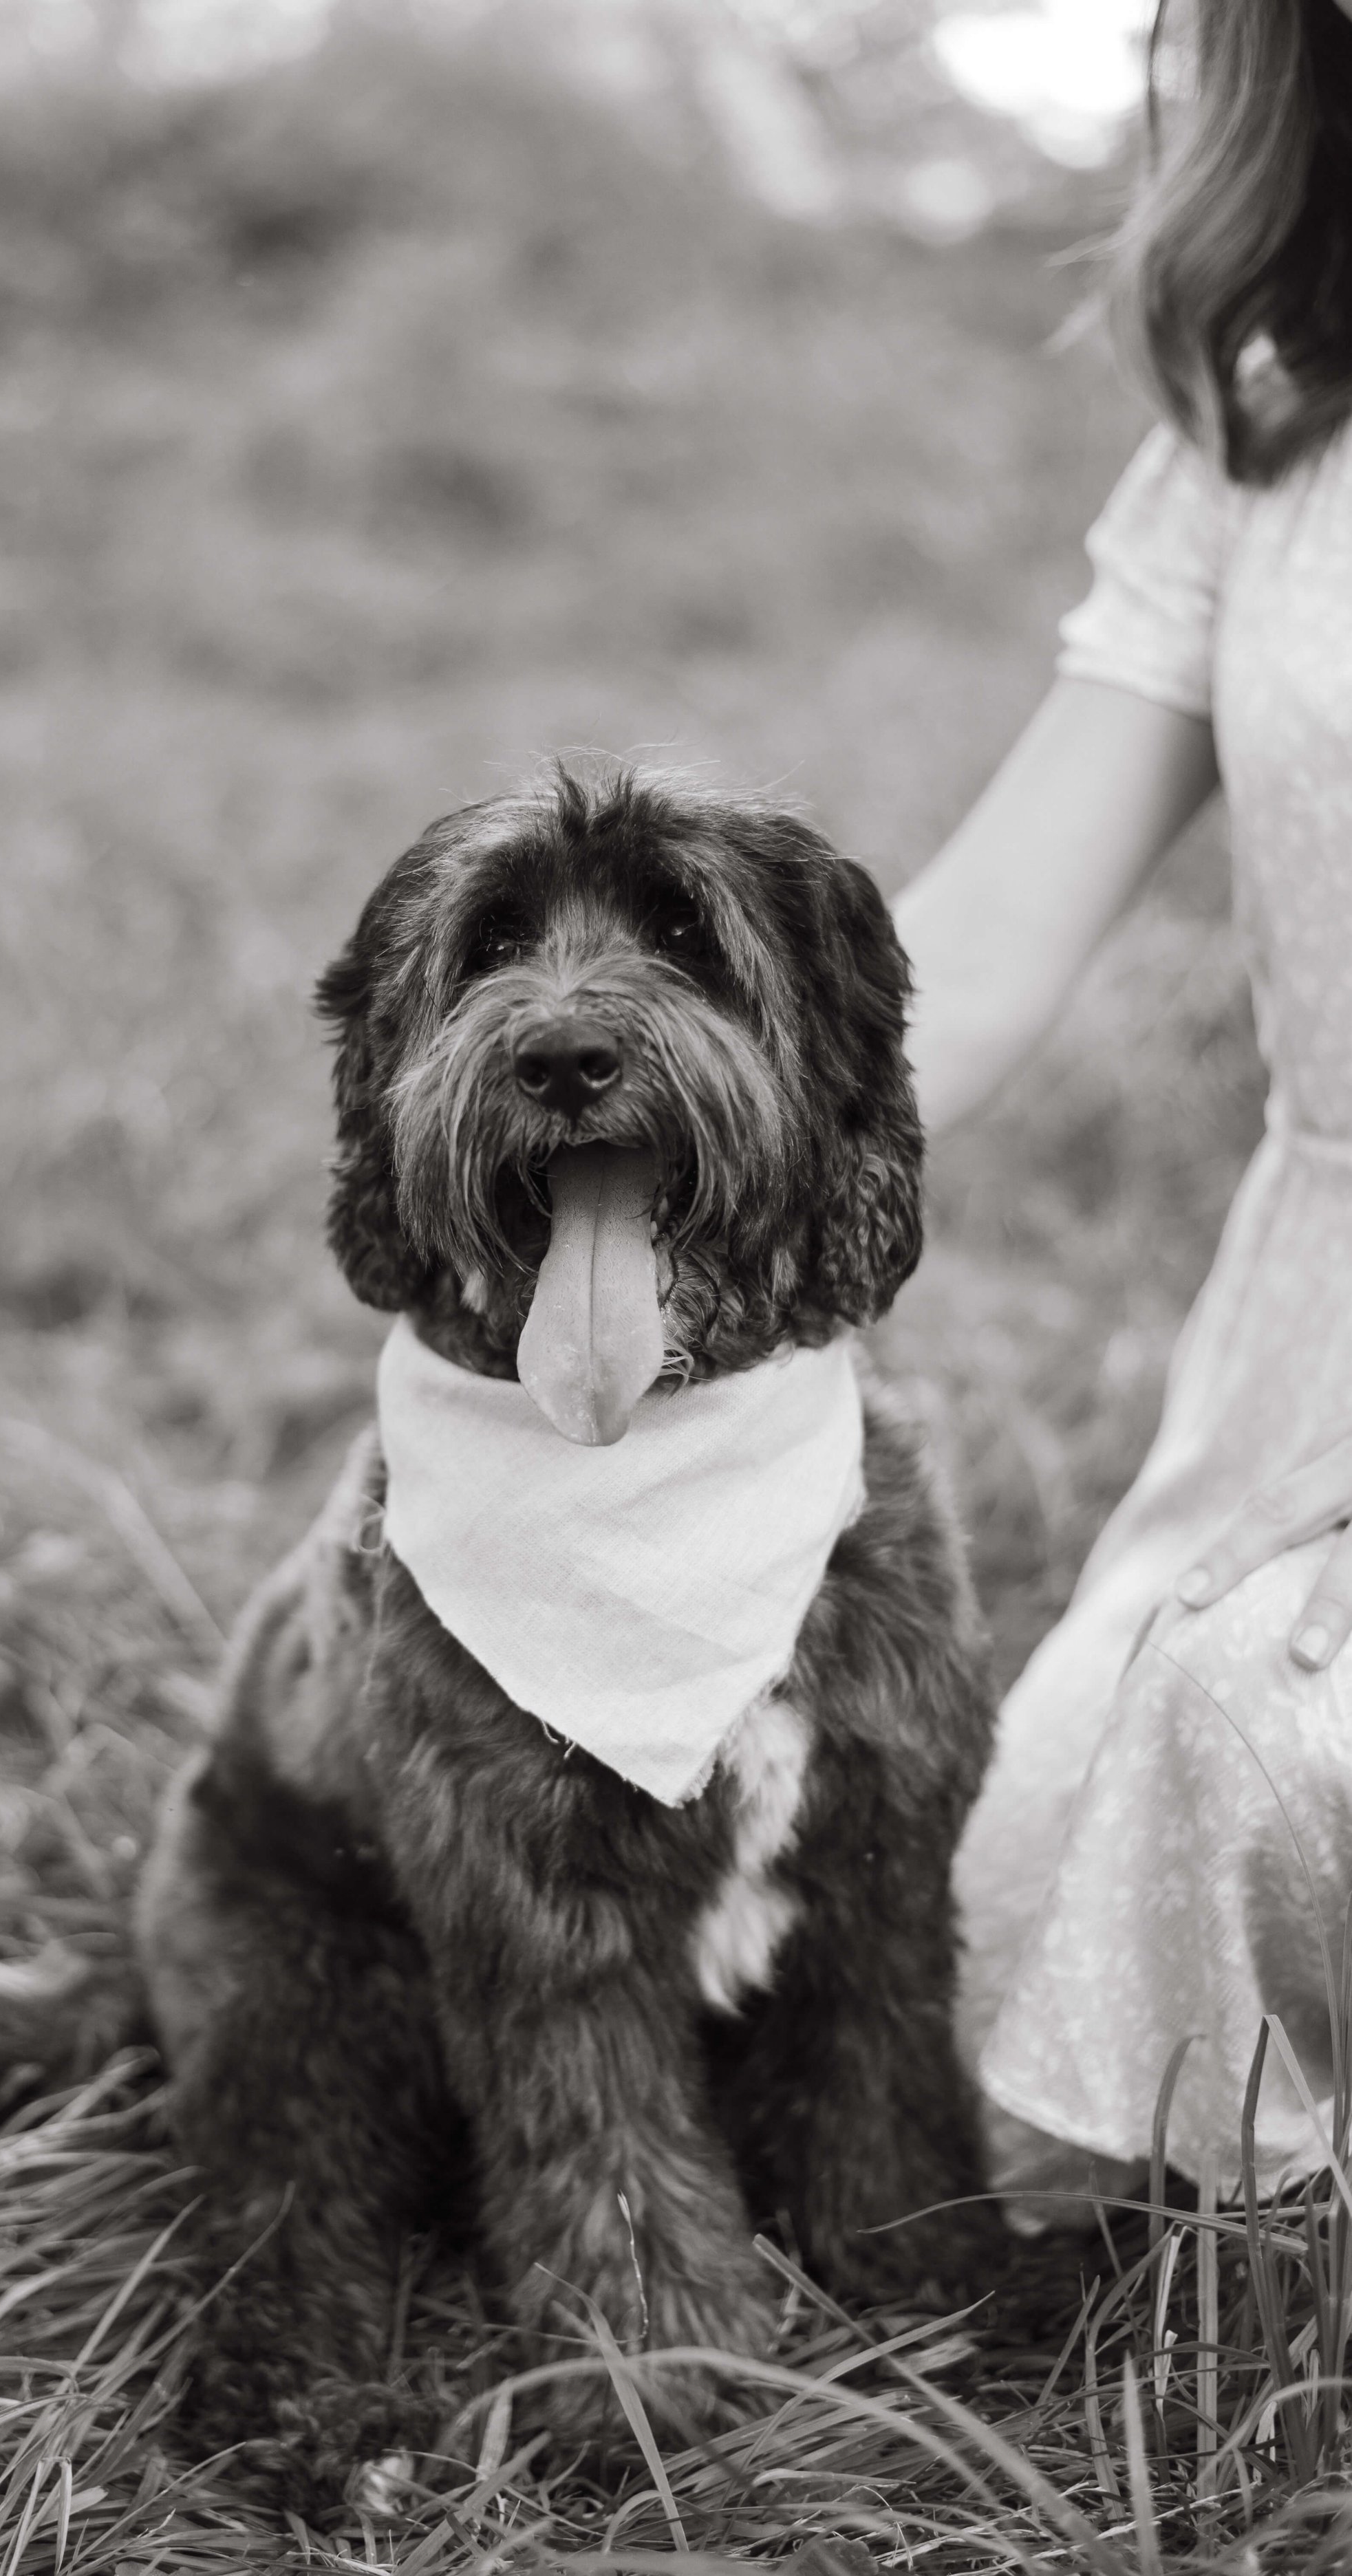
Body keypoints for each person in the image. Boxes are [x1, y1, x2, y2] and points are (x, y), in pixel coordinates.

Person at [894, 0, 1352, 2217]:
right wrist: (604, 1142)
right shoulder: (1264, 421)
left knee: (1273, 1766)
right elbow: (960, 958)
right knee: (999, 1976)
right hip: (1304, 1363)